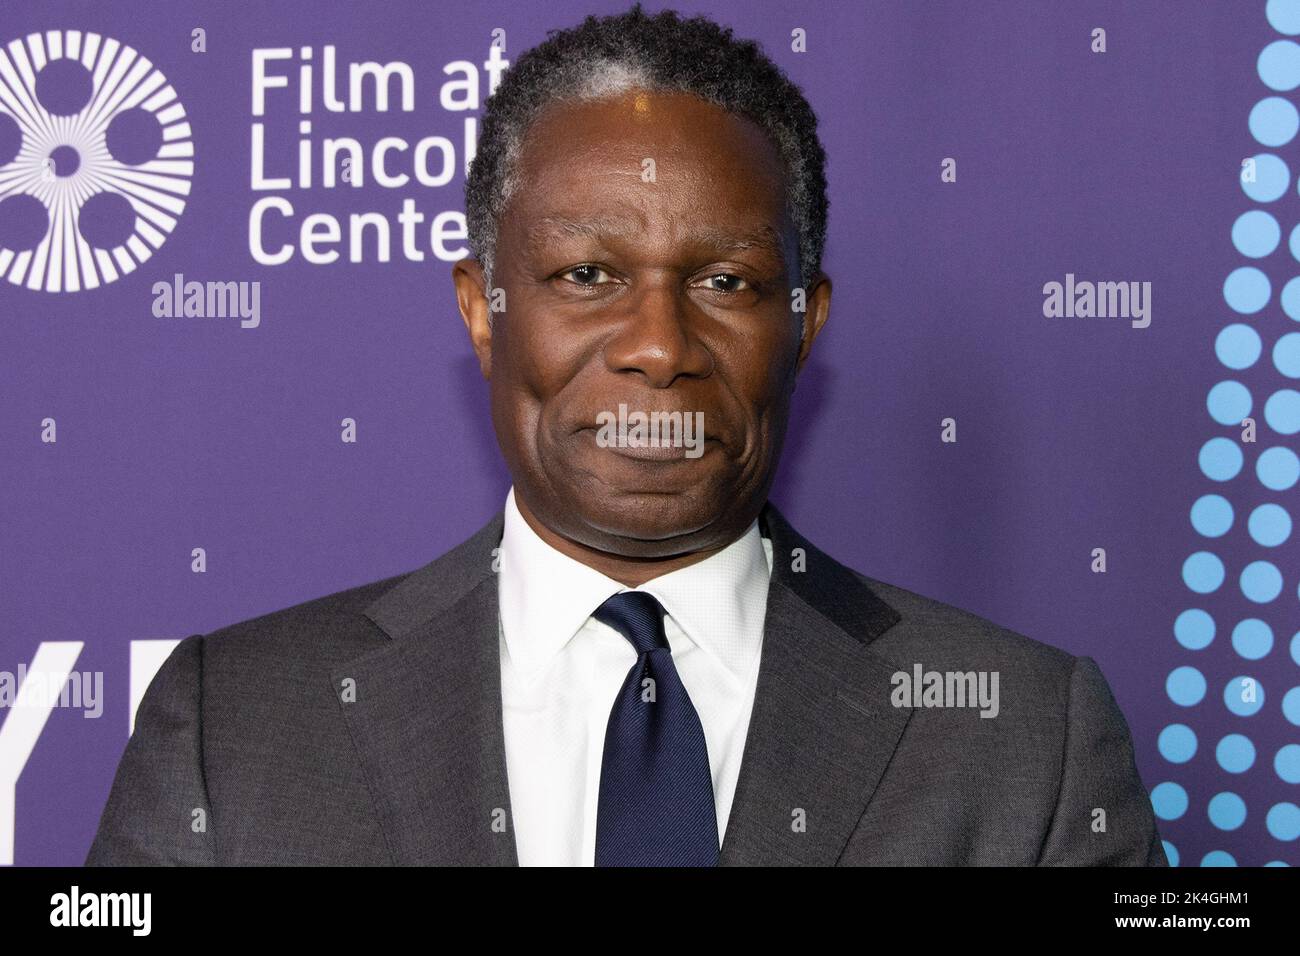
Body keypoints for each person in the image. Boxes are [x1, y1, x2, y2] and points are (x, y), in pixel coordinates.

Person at [86, 3, 1166, 867]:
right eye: (586, 275)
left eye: (727, 280)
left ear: (804, 322)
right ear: (480, 309)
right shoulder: (237, 724)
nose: (658, 345)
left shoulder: (1025, 740)